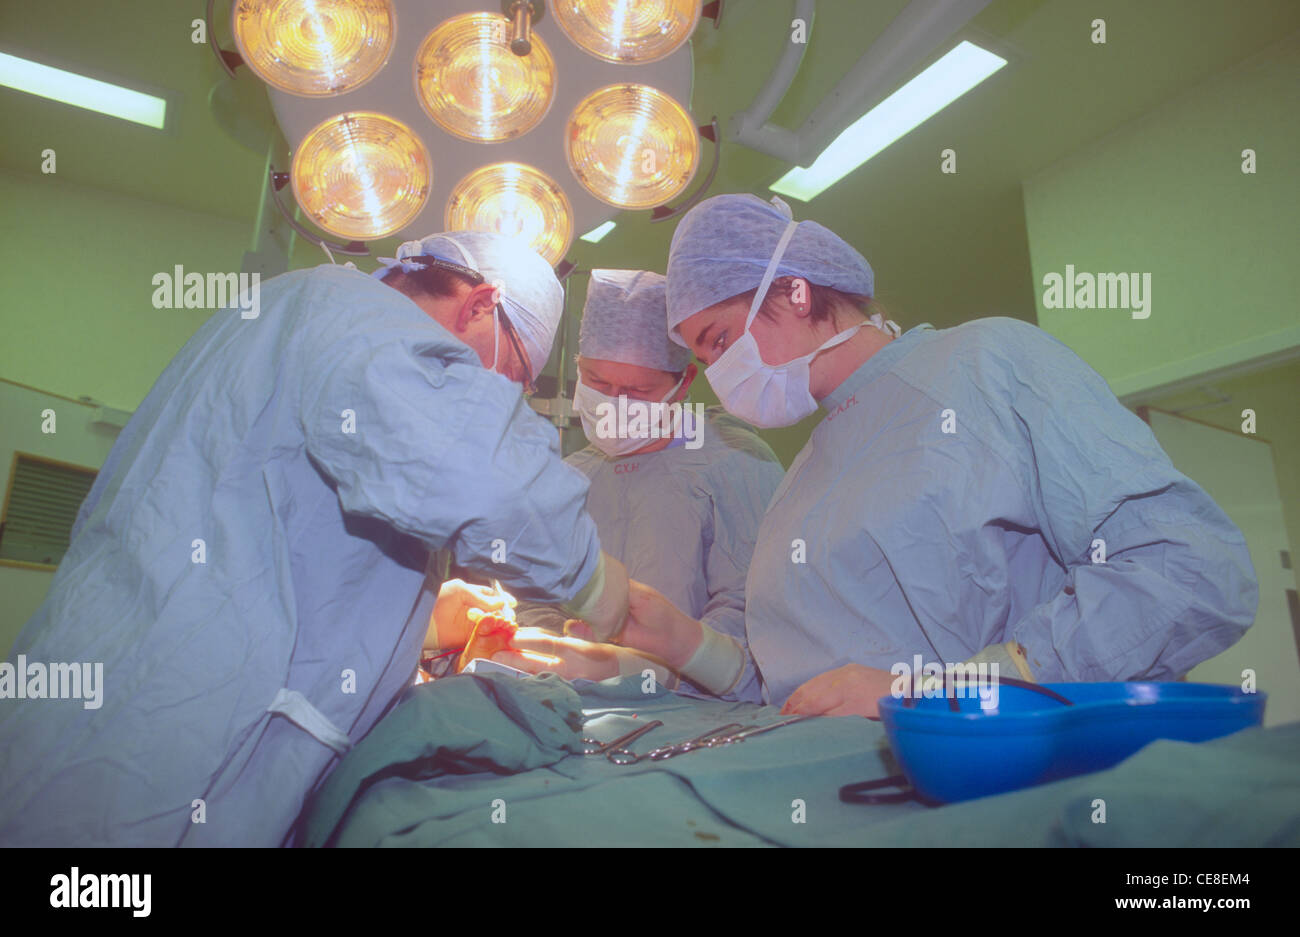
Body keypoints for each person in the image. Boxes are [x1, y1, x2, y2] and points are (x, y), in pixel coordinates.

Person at [0, 232, 629, 846]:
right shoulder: (354, 313)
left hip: (129, 688)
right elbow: (489, 482)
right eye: (515, 377)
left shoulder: (298, 314)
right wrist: (600, 587)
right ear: (478, 306)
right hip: (164, 729)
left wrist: (423, 624)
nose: (506, 398)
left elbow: (289, 537)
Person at [624, 192, 1256, 717]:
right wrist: (681, 643)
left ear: (794, 292)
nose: (717, 375)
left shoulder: (990, 363)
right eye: (704, 361)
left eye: (721, 340)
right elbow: (799, 689)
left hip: (986, 794)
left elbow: (1191, 572)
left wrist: (938, 695)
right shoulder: (802, 481)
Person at [458, 270, 784, 701]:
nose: (615, 402)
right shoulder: (571, 475)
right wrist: (555, 649)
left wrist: (654, 669)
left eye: (637, 389)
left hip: (706, 714)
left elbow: (756, 616)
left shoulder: (735, 463)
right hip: (574, 709)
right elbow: (532, 597)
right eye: (598, 382)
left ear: (683, 383)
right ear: (577, 367)